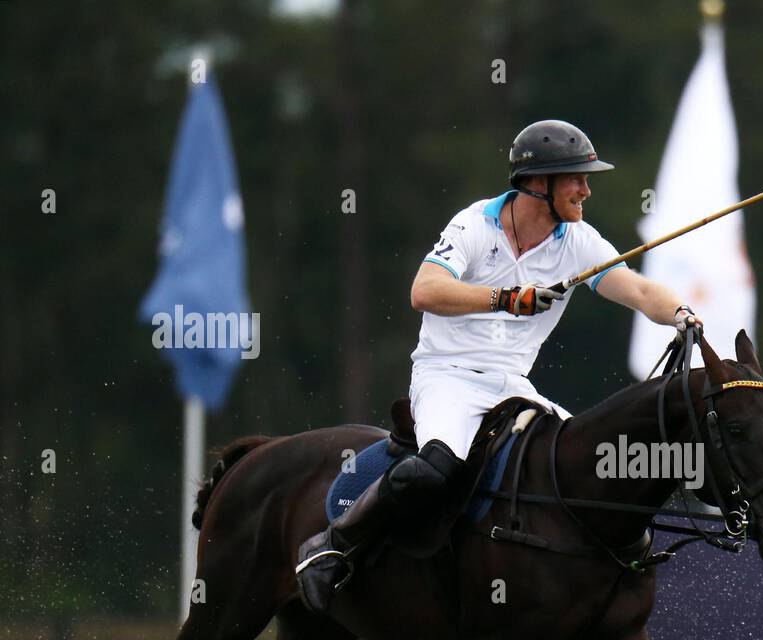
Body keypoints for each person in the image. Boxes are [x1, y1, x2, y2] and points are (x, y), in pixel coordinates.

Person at [296, 119, 703, 614]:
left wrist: (679, 313)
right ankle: (332, 546)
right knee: (437, 468)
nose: (586, 190)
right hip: (445, 376)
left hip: (512, 385)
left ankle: (589, 594)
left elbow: (637, 288)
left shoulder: (578, 241)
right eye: (576, 179)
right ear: (539, 184)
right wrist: (506, 298)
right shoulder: (474, 224)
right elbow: (424, 291)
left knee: (584, 470)